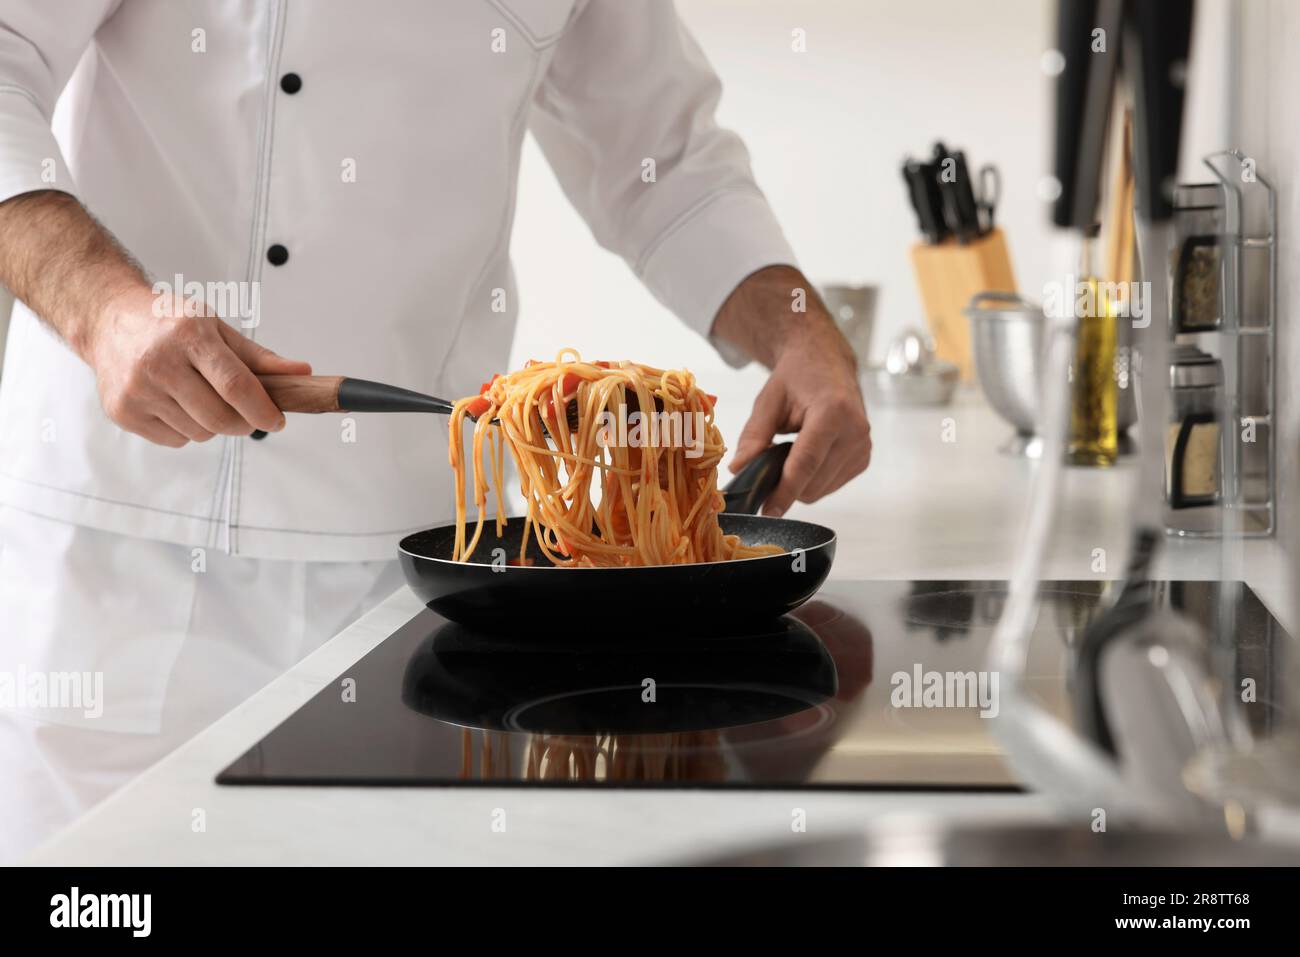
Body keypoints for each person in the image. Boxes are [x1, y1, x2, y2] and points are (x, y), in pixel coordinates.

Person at [0, 0, 871, 860]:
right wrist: (105, 311)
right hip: (119, 556)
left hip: (408, 583)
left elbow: (665, 161)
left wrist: (800, 333)